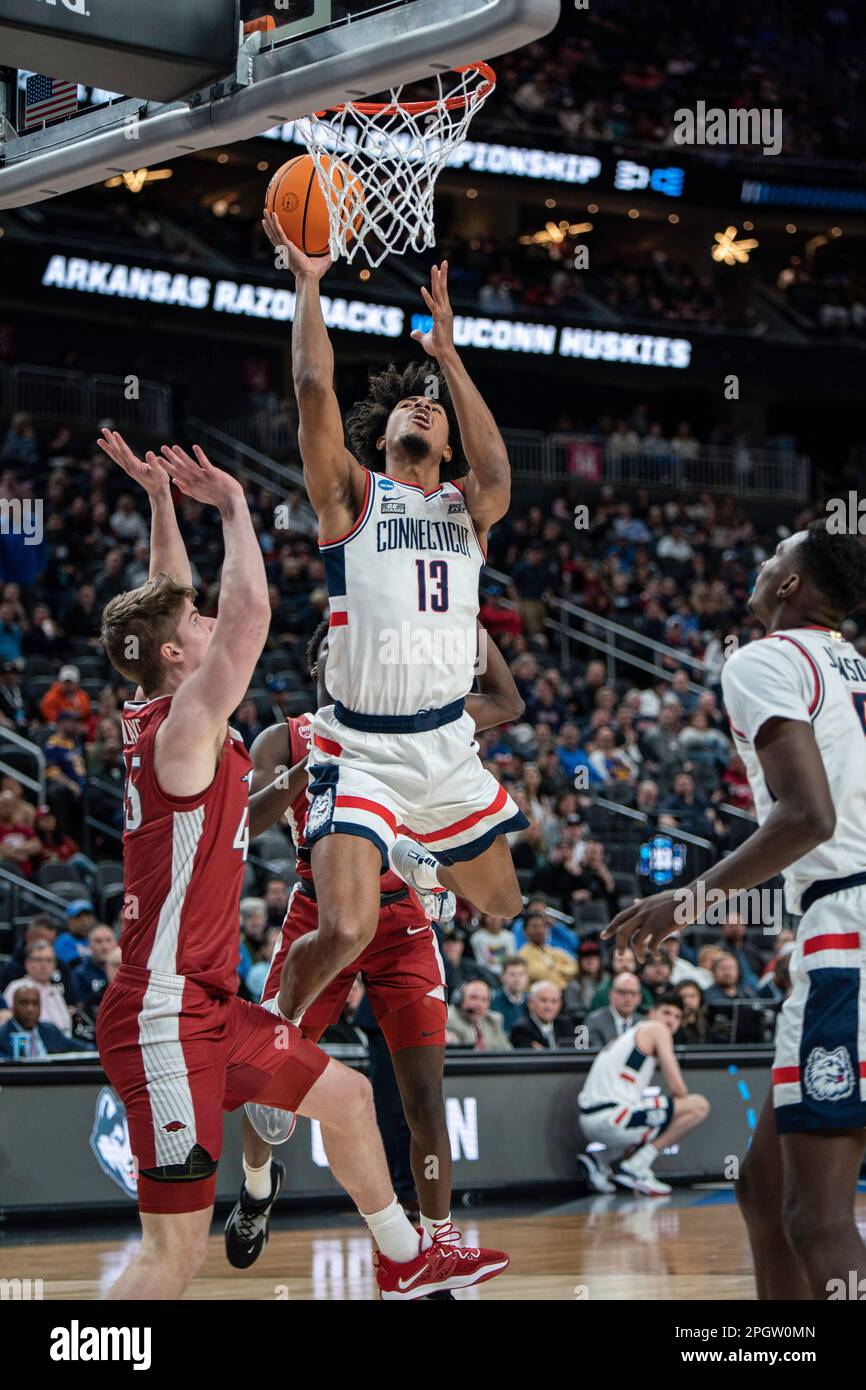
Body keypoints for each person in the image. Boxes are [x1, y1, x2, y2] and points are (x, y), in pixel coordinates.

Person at [95, 429, 506, 1301]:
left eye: (201, 614)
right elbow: (243, 619)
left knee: (351, 1101)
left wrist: (164, 504)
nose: (207, 617)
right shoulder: (187, 725)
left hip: (209, 1004)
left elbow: (172, 605)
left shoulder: (159, 708)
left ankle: (404, 1257)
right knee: (175, 1257)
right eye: (192, 625)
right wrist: (237, 505)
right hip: (164, 1015)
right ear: (177, 657)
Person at [262, 211, 528, 1047]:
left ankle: (413, 846)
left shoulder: (465, 508)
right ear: (381, 438)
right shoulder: (352, 497)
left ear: (446, 445)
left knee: (504, 903)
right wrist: (309, 285)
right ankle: (276, 1033)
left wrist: (449, 357)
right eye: (409, 403)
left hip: (446, 743)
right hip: (361, 745)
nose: (421, 404)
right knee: (341, 931)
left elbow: (498, 473)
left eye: (434, 406)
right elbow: (313, 393)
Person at [606, 520, 866, 1298]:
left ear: (790, 586)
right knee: (761, 1188)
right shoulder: (854, 667)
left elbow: (808, 817)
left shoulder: (765, 659)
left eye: (770, 558)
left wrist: (683, 902)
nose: (757, 568)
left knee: (817, 1219)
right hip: (843, 916)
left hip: (846, 931)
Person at [226, 618, 522, 1277]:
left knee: (423, 1096)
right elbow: (246, 820)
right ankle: (254, 1186)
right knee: (267, 1069)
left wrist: (467, 618)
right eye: (338, 656)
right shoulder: (288, 735)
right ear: (321, 672)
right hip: (321, 914)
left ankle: (438, 1240)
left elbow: (507, 703)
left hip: (402, 923)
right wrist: (314, 762)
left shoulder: (414, 723)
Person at [576, 993, 710, 1196]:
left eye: (677, 1016)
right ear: (652, 1013)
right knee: (697, 1106)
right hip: (613, 1117)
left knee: (652, 1115)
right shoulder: (656, 1029)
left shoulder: (631, 1034)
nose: (671, 1020)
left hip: (591, 1118)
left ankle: (599, 1160)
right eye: (667, 1012)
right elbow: (678, 1089)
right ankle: (637, 1167)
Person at [4, 940, 75, 1034]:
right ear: (27, 963)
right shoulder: (17, 988)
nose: (44, 965)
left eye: (49, 960)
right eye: (38, 960)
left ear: (55, 965)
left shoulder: (55, 990)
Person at [0, 985, 92, 1058]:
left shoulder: (50, 1031)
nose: (30, 1009)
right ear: (13, 1007)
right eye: (24, 1003)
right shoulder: (2, 1035)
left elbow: (85, 1048)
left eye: (35, 1003)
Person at [519, 912, 579, 991]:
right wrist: (562, 971)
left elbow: (575, 967)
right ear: (525, 931)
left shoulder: (554, 951)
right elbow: (540, 974)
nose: (539, 930)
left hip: (560, 994)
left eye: (543, 926)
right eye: (534, 926)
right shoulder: (523, 954)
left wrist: (553, 968)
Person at [445, 979, 511, 1050]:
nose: (479, 1004)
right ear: (460, 1000)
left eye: (484, 999)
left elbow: (507, 1051)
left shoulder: (494, 1021)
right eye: (473, 998)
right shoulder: (449, 1019)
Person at [585, 971, 644, 1047]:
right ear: (611, 994)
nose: (628, 998)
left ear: (639, 998)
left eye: (633, 993)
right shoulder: (594, 1021)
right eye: (622, 992)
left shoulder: (642, 1023)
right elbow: (591, 1053)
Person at [510, 981, 567, 1049]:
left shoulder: (566, 1025)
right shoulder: (521, 1029)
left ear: (560, 1005)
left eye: (554, 1001)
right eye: (543, 1000)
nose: (549, 1006)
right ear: (530, 1003)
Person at [492, 957, 530, 1033]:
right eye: (512, 974)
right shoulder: (492, 1000)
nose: (517, 979)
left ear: (527, 978)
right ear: (502, 977)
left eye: (521, 974)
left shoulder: (531, 1001)